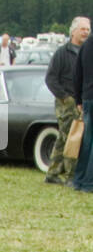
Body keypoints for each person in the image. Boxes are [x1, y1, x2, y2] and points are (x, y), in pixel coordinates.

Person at [44, 17, 90, 184]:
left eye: (88, 29)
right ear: (73, 31)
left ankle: (53, 173)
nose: (86, 32)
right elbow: (50, 79)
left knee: (64, 138)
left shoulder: (87, 52)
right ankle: (71, 176)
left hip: (83, 101)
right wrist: (65, 97)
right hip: (67, 102)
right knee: (72, 138)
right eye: (82, 29)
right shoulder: (62, 53)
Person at [73, 16, 93, 190]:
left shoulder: (85, 46)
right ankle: (89, 183)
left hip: (87, 98)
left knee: (86, 141)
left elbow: (77, 74)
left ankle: (78, 180)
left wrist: (78, 99)